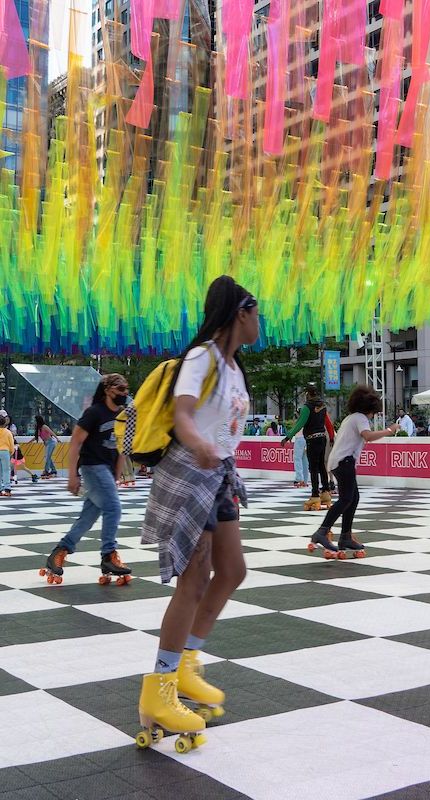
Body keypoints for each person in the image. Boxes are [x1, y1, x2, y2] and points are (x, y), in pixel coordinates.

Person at [138, 276, 258, 746]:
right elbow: (183, 413)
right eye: (255, 313)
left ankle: (187, 662)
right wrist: (199, 445)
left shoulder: (232, 367)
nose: (259, 323)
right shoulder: (202, 358)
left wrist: (216, 453)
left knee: (232, 570)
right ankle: (160, 688)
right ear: (239, 314)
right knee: (194, 579)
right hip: (191, 472)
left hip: (220, 473)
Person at [42, 374, 132, 580]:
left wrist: (116, 476)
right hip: (92, 467)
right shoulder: (94, 413)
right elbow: (75, 442)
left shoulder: (122, 415)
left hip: (107, 471)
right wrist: (72, 476)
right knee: (113, 508)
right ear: (108, 390)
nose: (124, 393)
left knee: (87, 518)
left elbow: (121, 448)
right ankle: (108, 554)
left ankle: (59, 552)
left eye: (126, 389)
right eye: (120, 389)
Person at [308, 386, 399, 556]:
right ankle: (321, 532)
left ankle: (345, 536)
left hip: (338, 462)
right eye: (374, 412)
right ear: (369, 408)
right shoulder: (361, 418)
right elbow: (368, 436)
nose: (373, 416)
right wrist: (389, 430)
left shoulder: (350, 418)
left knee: (353, 498)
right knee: (347, 499)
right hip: (345, 462)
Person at [281, 387, 335, 508]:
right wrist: (331, 437)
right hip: (322, 438)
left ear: (308, 395)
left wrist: (288, 436)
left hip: (312, 439)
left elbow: (300, 423)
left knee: (314, 468)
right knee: (322, 466)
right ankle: (326, 493)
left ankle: (315, 495)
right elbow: (328, 423)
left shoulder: (307, 407)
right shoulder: (322, 406)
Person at [292, 417, 310, 488]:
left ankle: (299, 479)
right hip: (307, 438)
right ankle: (305, 481)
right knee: (305, 460)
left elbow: (295, 428)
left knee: (297, 459)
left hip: (299, 438)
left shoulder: (300, 420)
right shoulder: (308, 418)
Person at [0, 417, 14, 496]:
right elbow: (11, 443)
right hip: (5, 451)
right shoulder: (8, 432)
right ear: (4, 423)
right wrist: (11, 452)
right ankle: (7, 489)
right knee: (6, 470)